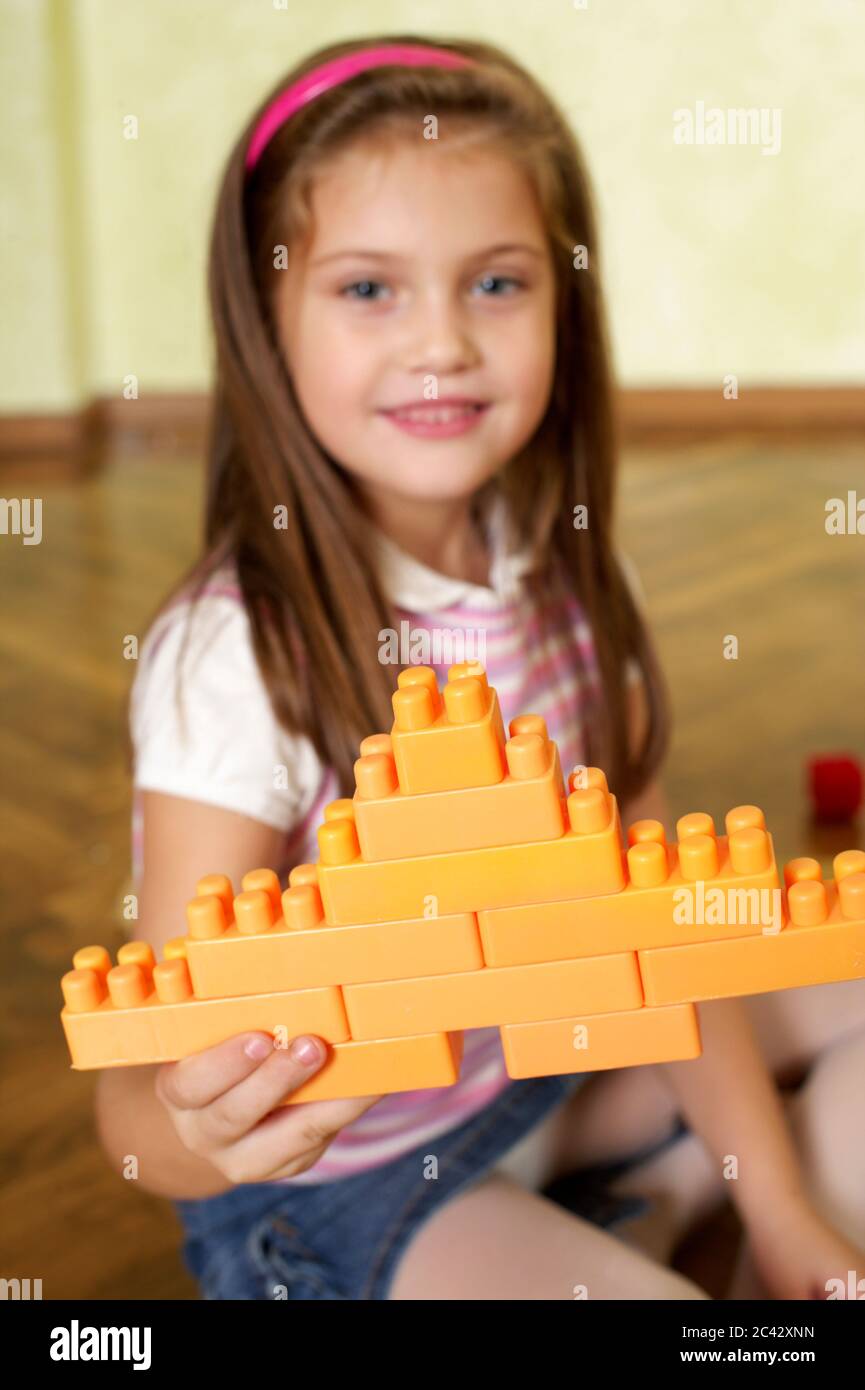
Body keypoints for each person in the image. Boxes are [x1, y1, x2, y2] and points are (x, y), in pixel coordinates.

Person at [96, 34, 865, 1300]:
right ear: (265, 315)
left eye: (496, 284)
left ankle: (654, 1191)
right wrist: (193, 1130)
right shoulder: (234, 655)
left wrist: (777, 1210)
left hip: (536, 1077)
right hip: (342, 1189)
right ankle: (633, 1215)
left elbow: (662, 934)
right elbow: (137, 1107)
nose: (442, 341)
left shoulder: (550, 568)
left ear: (566, 300)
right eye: (367, 290)